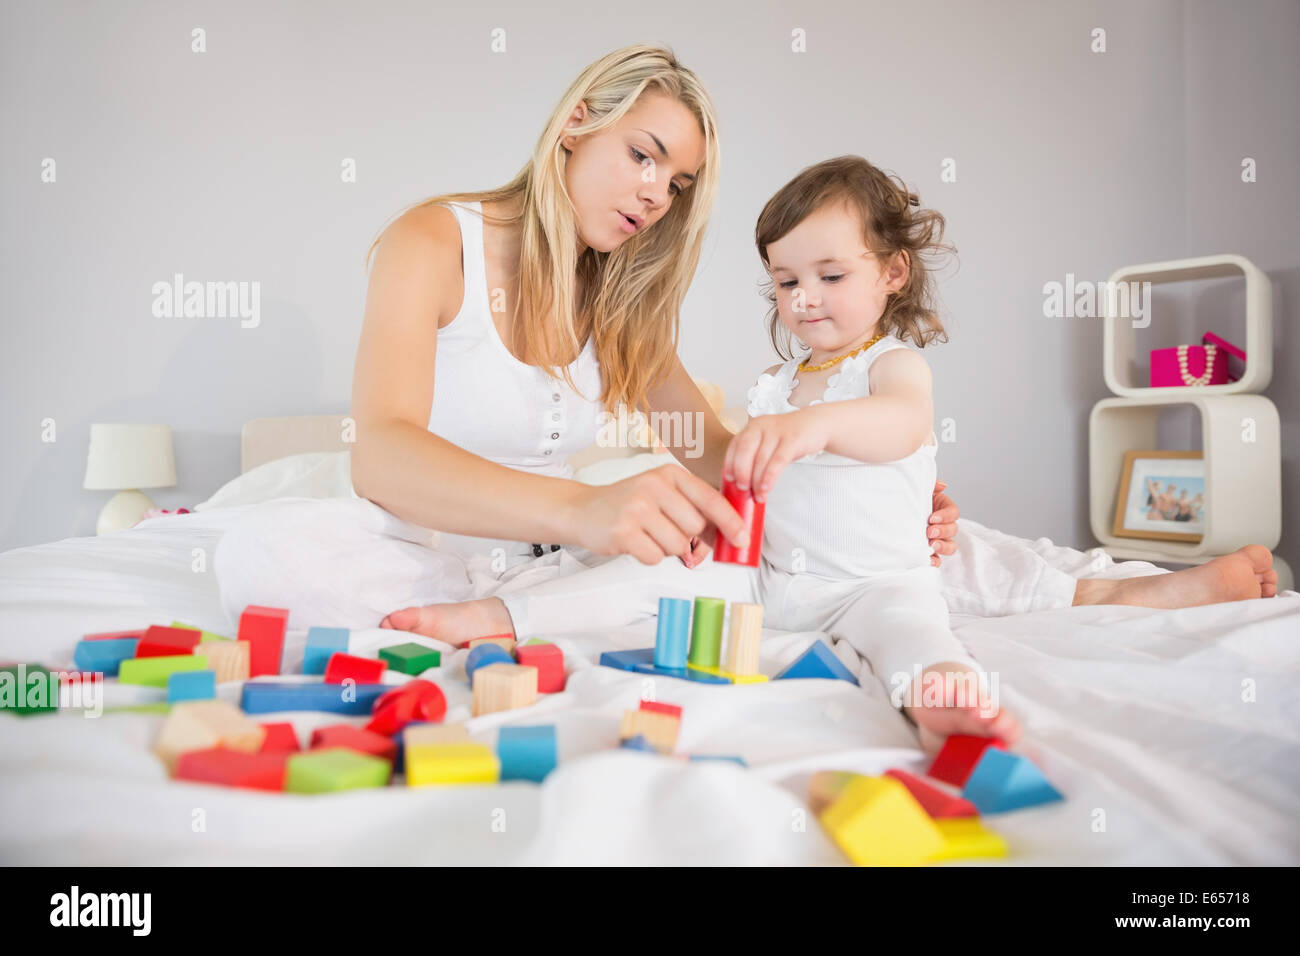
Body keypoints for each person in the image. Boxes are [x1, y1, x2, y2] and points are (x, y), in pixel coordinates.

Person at [214, 44, 1280, 693]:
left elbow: (730, 455)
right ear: (578, 121)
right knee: (265, 561)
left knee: (821, 541)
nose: (653, 195)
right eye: (643, 153)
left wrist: (870, 475)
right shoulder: (430, 239)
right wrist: (587, 515)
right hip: (418, 542)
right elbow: (385, 455)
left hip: (543, 550)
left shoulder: (615, 300)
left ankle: (1096, 589)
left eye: (677, 182)